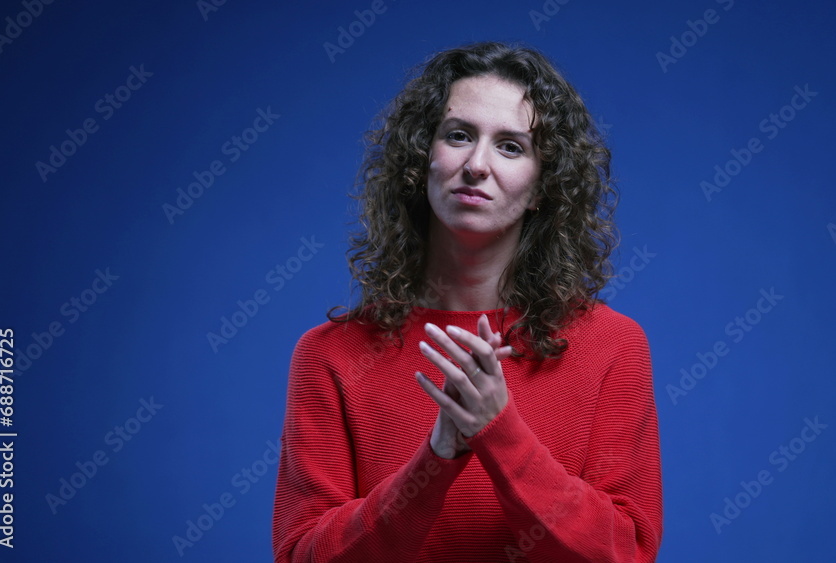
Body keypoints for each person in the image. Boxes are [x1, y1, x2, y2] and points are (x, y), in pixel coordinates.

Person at [272, 41, 663, 562]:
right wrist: (435, 460)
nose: (476, 165)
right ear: (422, 159)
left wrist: (498, 432)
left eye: (511, 146)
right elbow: (304, 557)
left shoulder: (613, 346)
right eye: (458, 136)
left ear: (544, 184)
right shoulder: (329, 357)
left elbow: (626, 554)